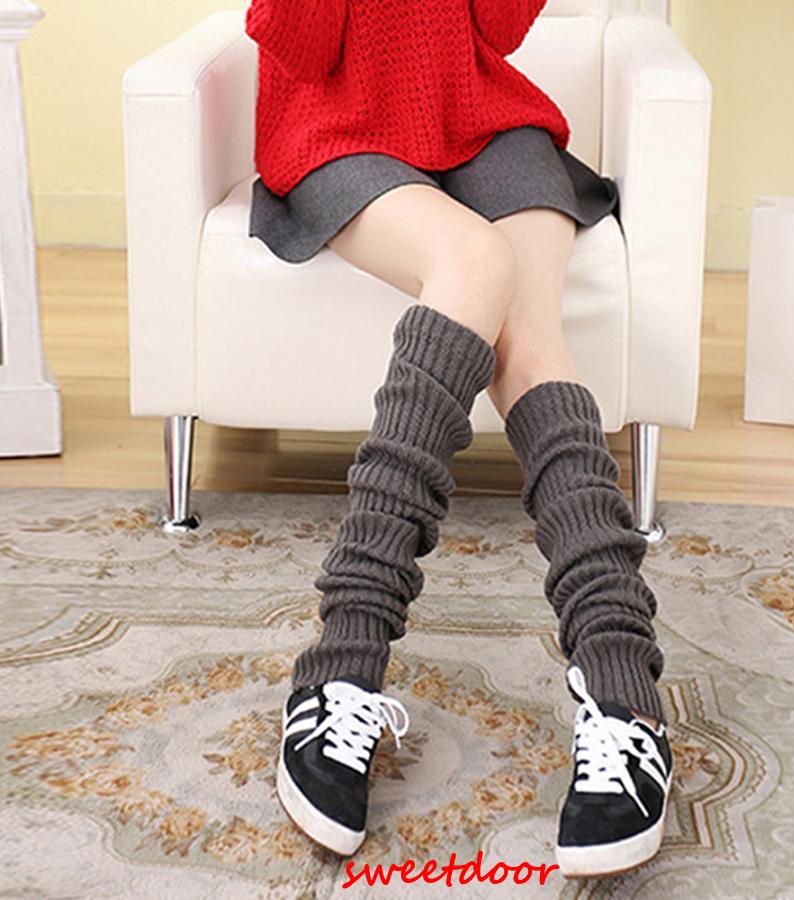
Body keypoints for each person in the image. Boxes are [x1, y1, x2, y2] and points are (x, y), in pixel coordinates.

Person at [245, 0, 672, 878]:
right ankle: (346, 656)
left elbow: (500, 28)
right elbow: (298, 42)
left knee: (532, 341)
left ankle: (624, 690)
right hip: (336, 128)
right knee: (474, 263)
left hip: (482, 118)